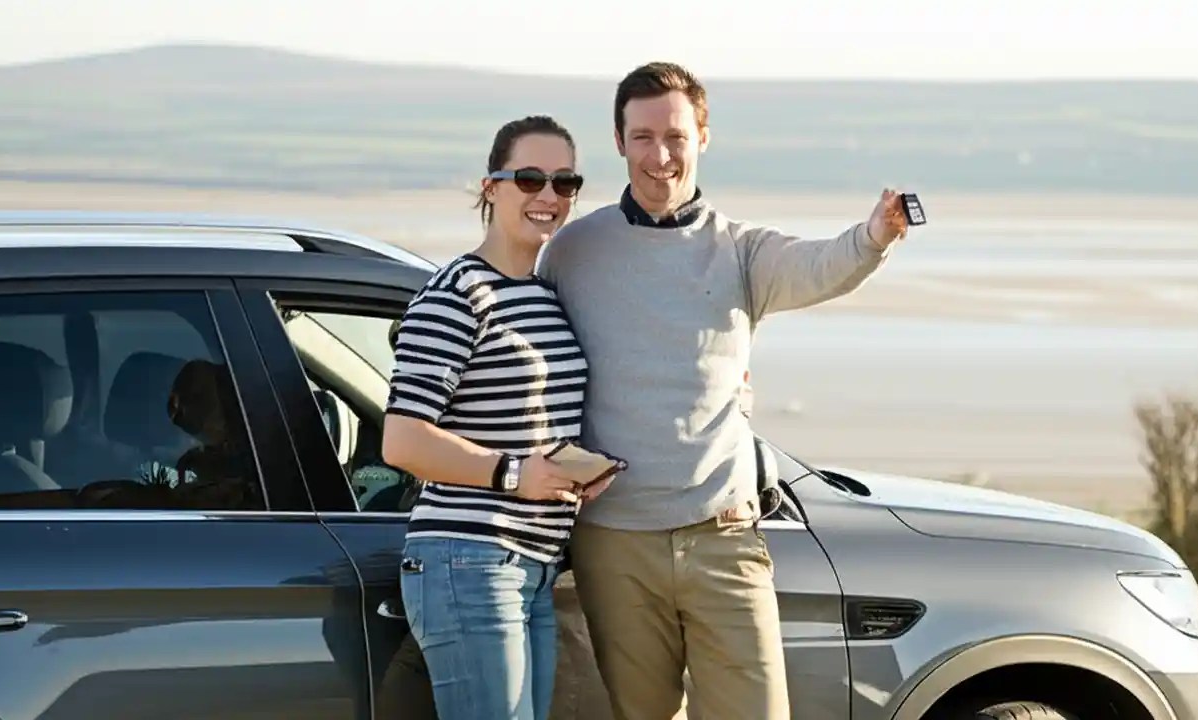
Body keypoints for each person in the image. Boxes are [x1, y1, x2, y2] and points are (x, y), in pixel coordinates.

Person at [536, 62, 912, 720]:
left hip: (724, 536)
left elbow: (820, 266)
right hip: (614, 543)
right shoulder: (572, 251)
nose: (660, 156)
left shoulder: (740, 251)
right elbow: (530, 366)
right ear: (620, 141)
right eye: (644, 136)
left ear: (702, 137)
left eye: (676, 137)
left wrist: (875, 236)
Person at [381, 114, 594, 720]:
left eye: (564, 182)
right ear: (490, 187)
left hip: (534, 565)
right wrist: (513, 474)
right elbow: (402, 439)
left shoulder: (546, 296)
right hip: (469, 562)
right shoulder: (457, 292)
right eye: (528, 179)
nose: (547, 196)